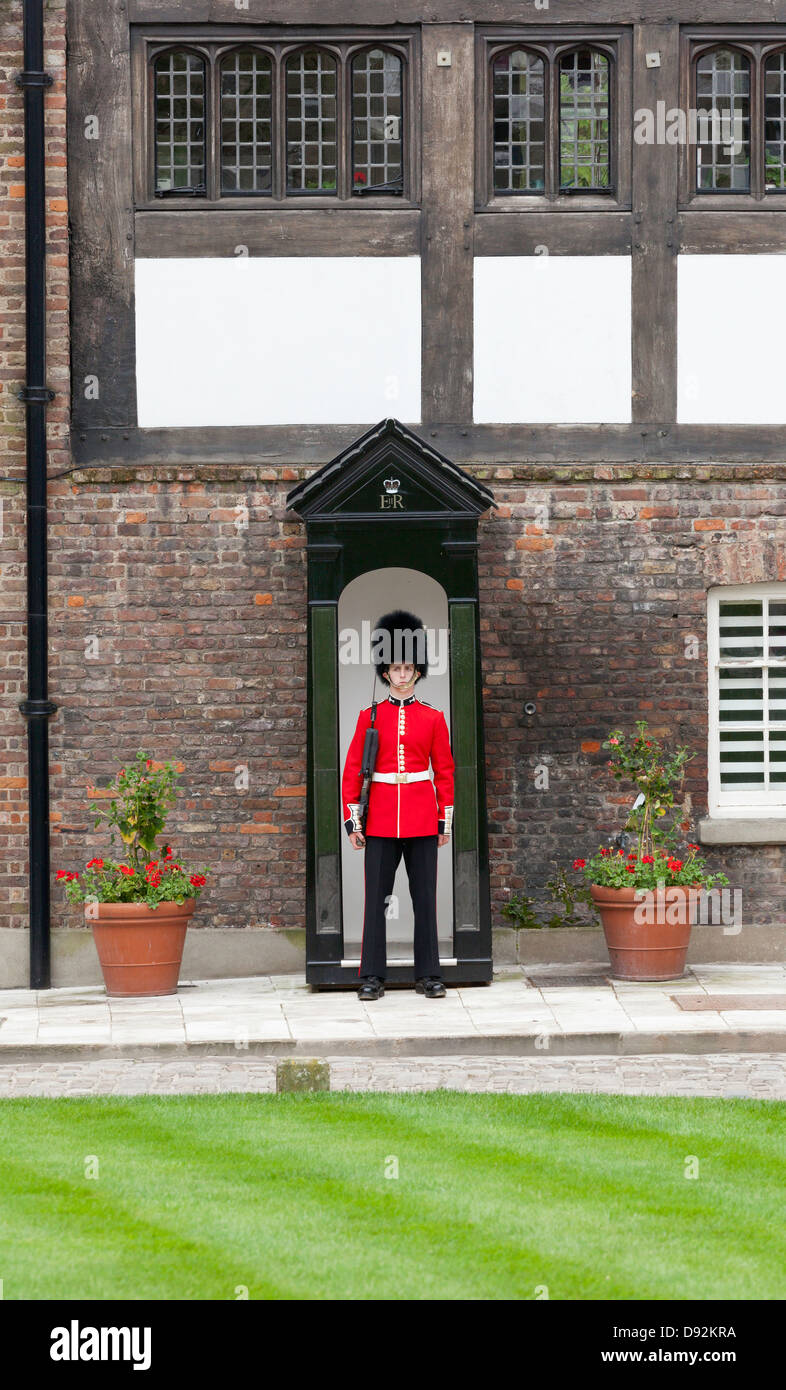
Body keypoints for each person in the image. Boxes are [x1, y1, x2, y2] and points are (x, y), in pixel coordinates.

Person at [341, 609, 454, 1001]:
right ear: (385, 672)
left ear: (418, 671)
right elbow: (353, 772)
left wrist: (445, 823)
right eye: (396, 668)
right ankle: (372, 975)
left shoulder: (434, 718)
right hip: (382, 819)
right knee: (377, 900)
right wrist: (354, 822)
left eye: (409, 668)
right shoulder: (368, 717)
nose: (402, 675)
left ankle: (430, 974)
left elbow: (445, 773)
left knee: (425, 899)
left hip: (423, 817)